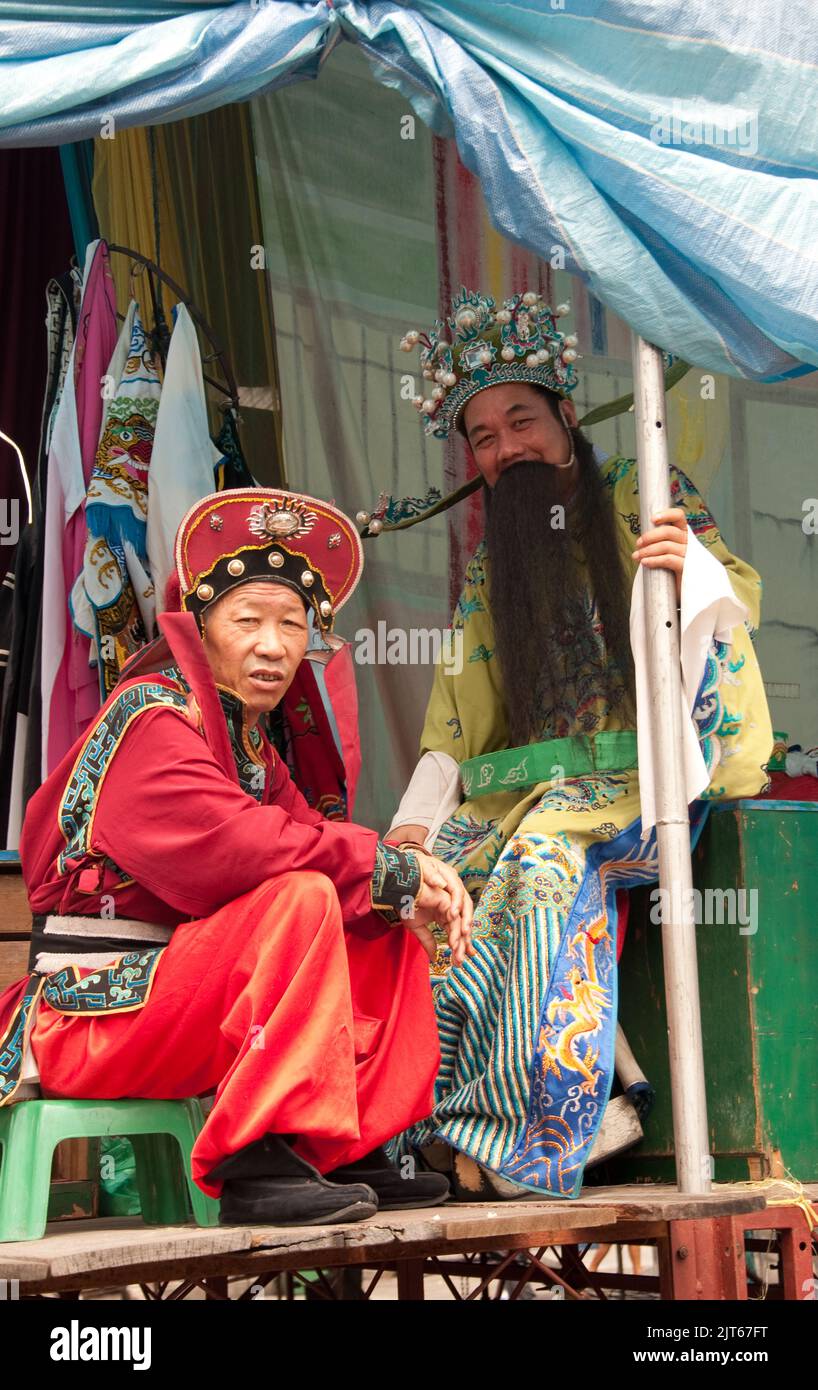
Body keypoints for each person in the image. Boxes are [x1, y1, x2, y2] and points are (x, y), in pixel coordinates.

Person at [387, 289, 773, 1200]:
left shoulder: (644, 489)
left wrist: (691, 569)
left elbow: (736, 602)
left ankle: (550, 1121)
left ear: (565, 416)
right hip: (540, 792)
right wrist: (409, 834)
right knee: (439, 877)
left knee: (543, 861)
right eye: (483, 437)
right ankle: (444, 1122)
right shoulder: (493, 561)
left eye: (520, 420)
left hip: (658, 778)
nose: (505, 447)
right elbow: (457, 717)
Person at [0, 487, 475, 1227]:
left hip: (169, 1001)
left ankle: (334, 1144)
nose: (273, 645)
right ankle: (253, 1156)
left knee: (379, 915)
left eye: (292, 625)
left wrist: (399, 886)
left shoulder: (249, 745)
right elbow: (239, 850)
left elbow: (317, 848)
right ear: (200, 628)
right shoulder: (151, 719)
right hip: (88, 1016)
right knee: (308, 895)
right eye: (247, 620)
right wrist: (390, 863)